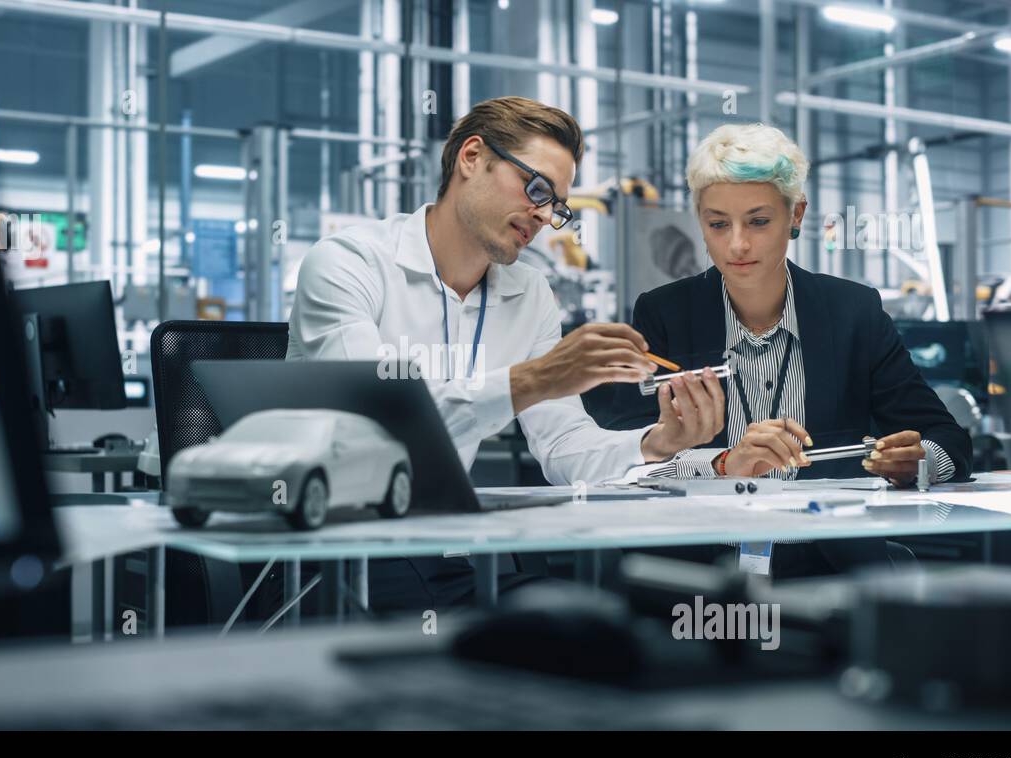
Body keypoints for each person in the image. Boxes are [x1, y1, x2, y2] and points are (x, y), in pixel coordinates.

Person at [287, 96, 715, 610]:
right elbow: (373, 429)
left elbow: (564, 447)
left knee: (595, 619)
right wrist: (532, 380)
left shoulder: (529, 292)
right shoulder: (349, 263)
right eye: (536, 188)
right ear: (471, 157)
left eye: (556, 206)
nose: (541, 215)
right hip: (331, 543)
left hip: (440, 546)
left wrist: (658, 442)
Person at [593, 122, 973, 577]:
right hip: (701, 562)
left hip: (827, 562)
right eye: (718, 224)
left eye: (758, 221)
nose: (737, 244)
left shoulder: (853, 312)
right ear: (699, 220)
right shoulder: (665, 313)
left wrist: (918, 462)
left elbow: (949, 441)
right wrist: (721, 464)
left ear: (796, 215)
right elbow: (631, 461)